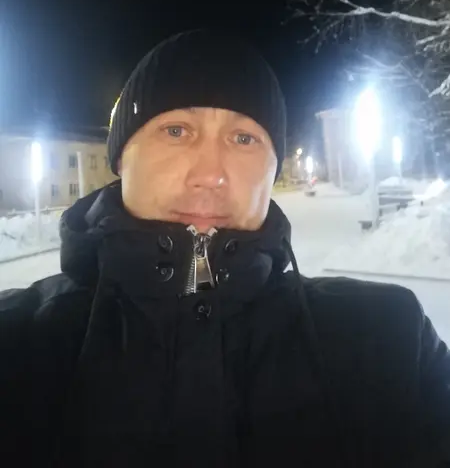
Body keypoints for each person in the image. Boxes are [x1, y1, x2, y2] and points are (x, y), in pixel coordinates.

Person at [1, 30, 449, 467]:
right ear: (121, 158)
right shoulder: (19, 344)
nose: (210, 174)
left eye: (243, 139)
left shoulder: (389, 341)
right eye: (177, 130)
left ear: (273, 169)